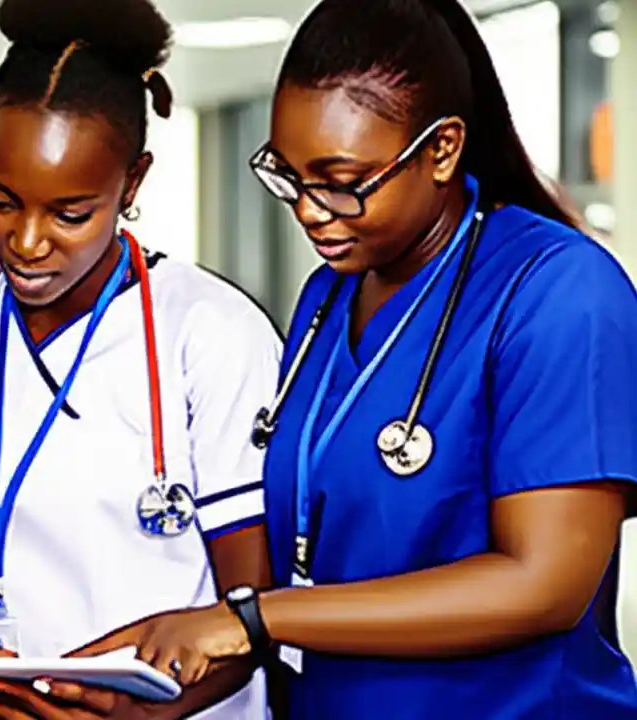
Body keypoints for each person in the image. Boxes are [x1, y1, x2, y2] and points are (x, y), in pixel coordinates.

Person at [82, 1, 637, 718]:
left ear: (442, 149)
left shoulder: (559, 290)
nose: (309, 210)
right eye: (289, 176)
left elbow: (544, 585)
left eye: (341, 181)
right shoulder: (328, 297)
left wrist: (257, 618)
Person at [0, 0, 281, 717]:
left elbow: (253, 616)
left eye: (70, 214)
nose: (27, 242)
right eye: (0, 199)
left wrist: (134, 715)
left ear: (133, 183)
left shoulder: (210, 333)